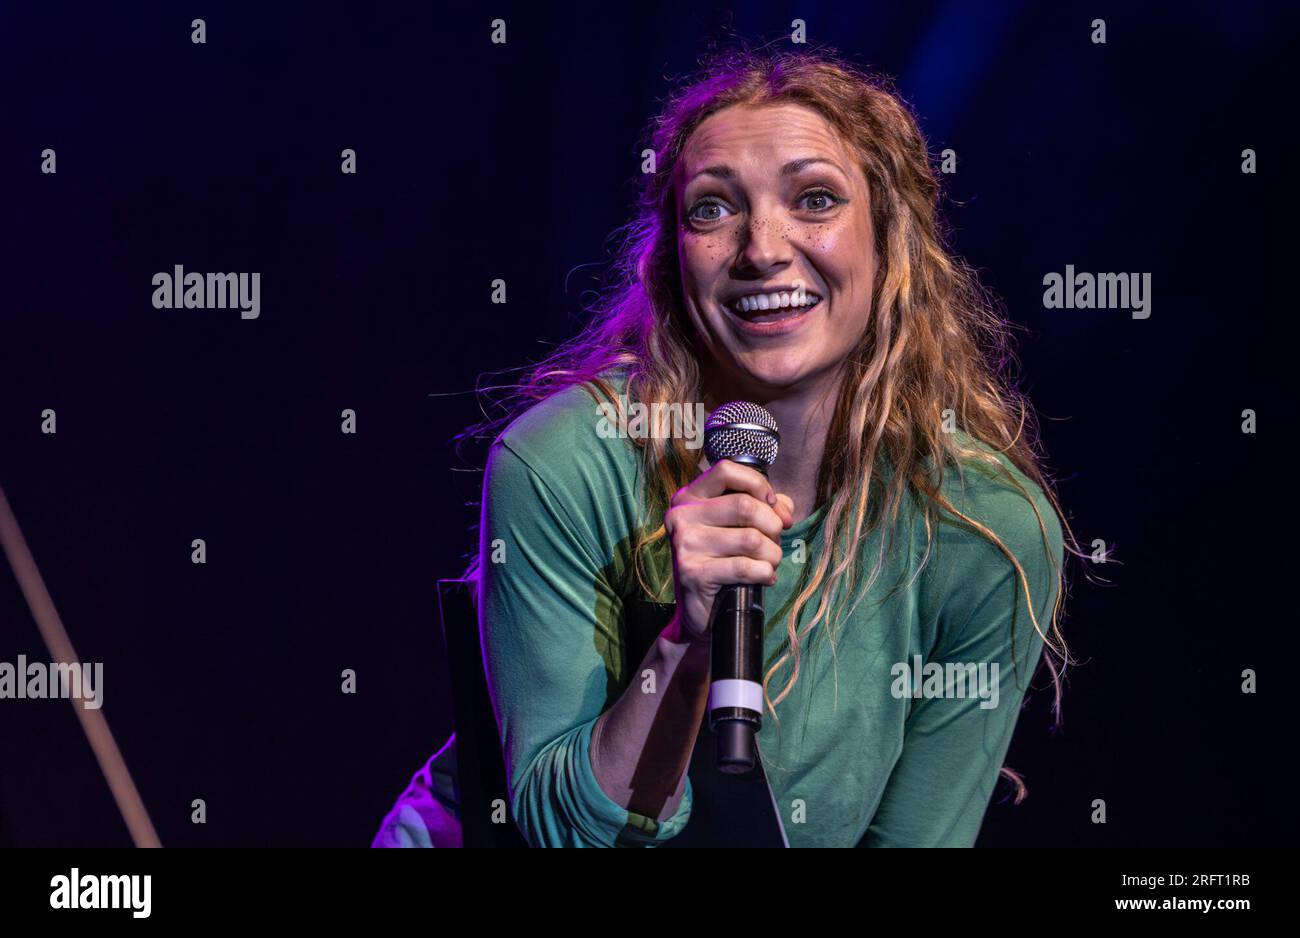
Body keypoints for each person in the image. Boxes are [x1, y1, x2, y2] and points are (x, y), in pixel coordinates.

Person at [375, 45, 1074, 848]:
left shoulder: (982, 529)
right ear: (675, 260)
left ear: (891, 247)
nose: (762, 248)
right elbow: (558, 834)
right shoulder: (567, 462)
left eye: (815, 199)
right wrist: (688, 642)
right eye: (712, 209)